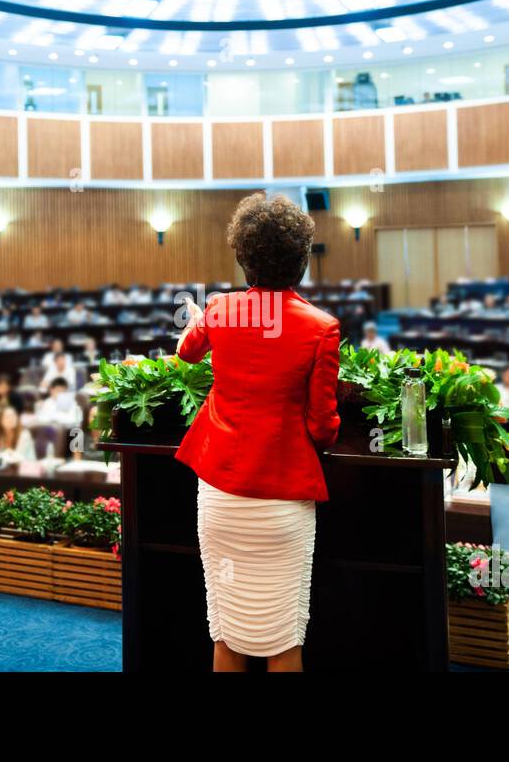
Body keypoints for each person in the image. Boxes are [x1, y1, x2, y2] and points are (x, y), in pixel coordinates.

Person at [174, 192, 340, 673]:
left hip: (221, 493)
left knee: (226, 631)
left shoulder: (222, 310)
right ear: (301, 260)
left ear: (244, 258)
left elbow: (186, 353)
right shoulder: (321, 327)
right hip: (282, 498)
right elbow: (322, 427)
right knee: (284, 638)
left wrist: (209, 313)